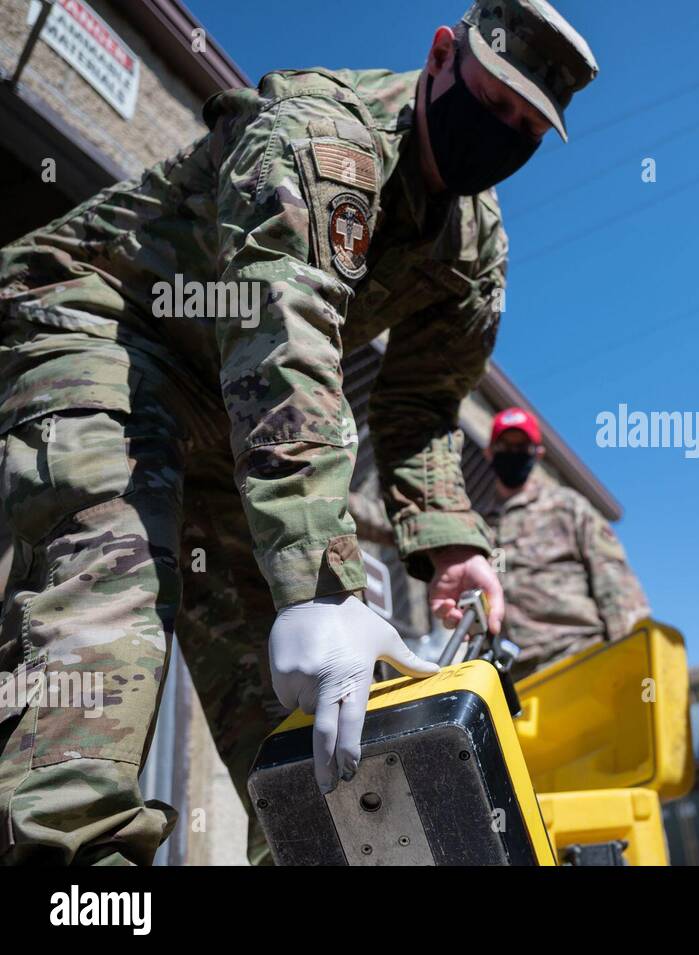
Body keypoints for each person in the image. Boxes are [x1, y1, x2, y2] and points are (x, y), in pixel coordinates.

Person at [0, 0, 598, 865]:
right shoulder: (325, 133)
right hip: (105, 330)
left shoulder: (472, 248)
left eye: (527, 126)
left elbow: (423, 405)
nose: (503, 131)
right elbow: (283, 334)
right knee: (112, 583)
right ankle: (66, 867)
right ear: (440, 57)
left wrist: (450, 542)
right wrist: (328, 583)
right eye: (494, 98)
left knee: (317, 713)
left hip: (228, 418)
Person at [482, 407, 650, 681]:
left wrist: (631, 658)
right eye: (504, 445)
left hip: (579, 658)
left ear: (538, 452)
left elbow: (615, 582)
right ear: (489, 451)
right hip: (514, 678)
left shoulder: (567, 508)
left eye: (521, 446)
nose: (512, 452)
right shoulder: (480, 528)